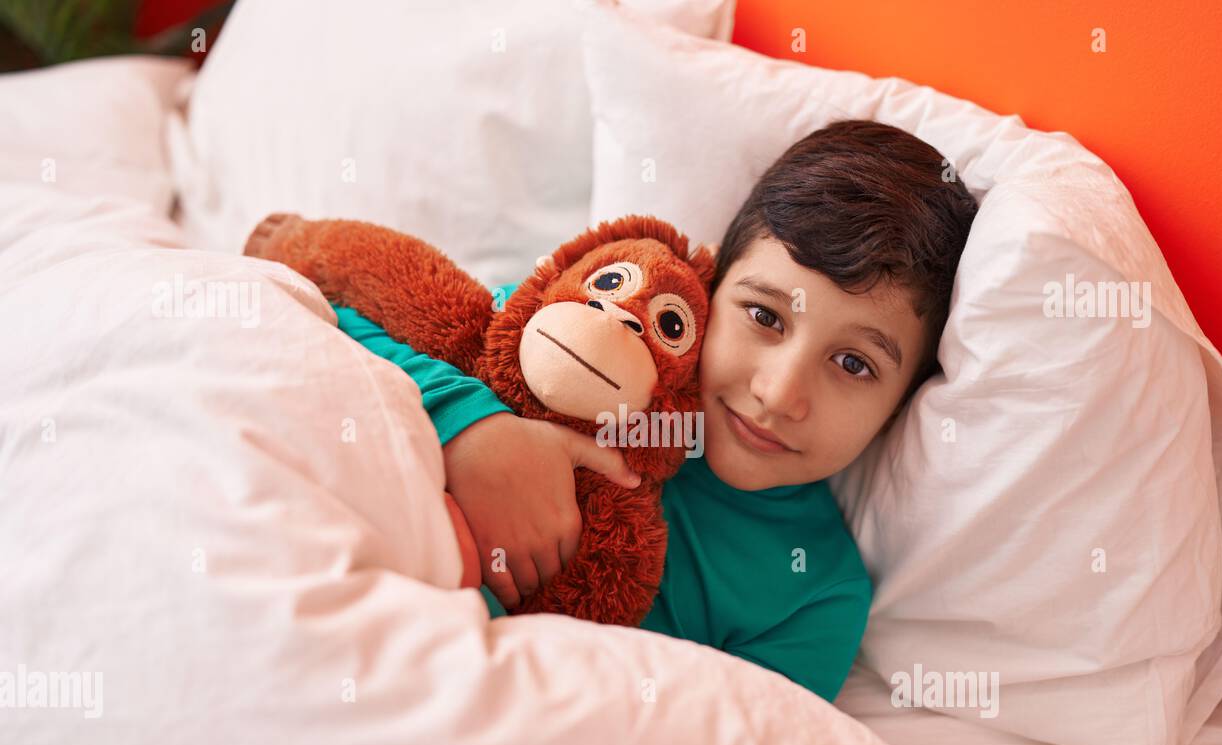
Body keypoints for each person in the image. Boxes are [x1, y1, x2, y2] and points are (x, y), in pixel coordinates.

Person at [336, 120, 978, 703]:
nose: (779, 393)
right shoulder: (588, 341)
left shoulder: (816, 601)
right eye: (763, 317)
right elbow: (327, 324)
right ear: (710, 284)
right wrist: (472, 426)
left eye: (853, 364)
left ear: (900, 409)